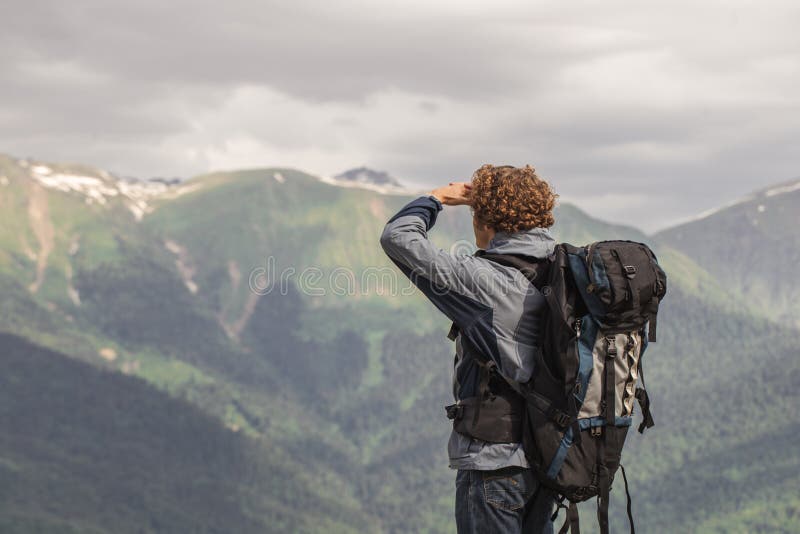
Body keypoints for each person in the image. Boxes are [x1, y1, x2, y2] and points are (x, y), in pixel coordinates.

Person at [380, 164, 559, 533]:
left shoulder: (483, 280)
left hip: (495, 462)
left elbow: (398, 237)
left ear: (485, 219)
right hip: (549, 458)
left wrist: (437, 198)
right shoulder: (564, 267)